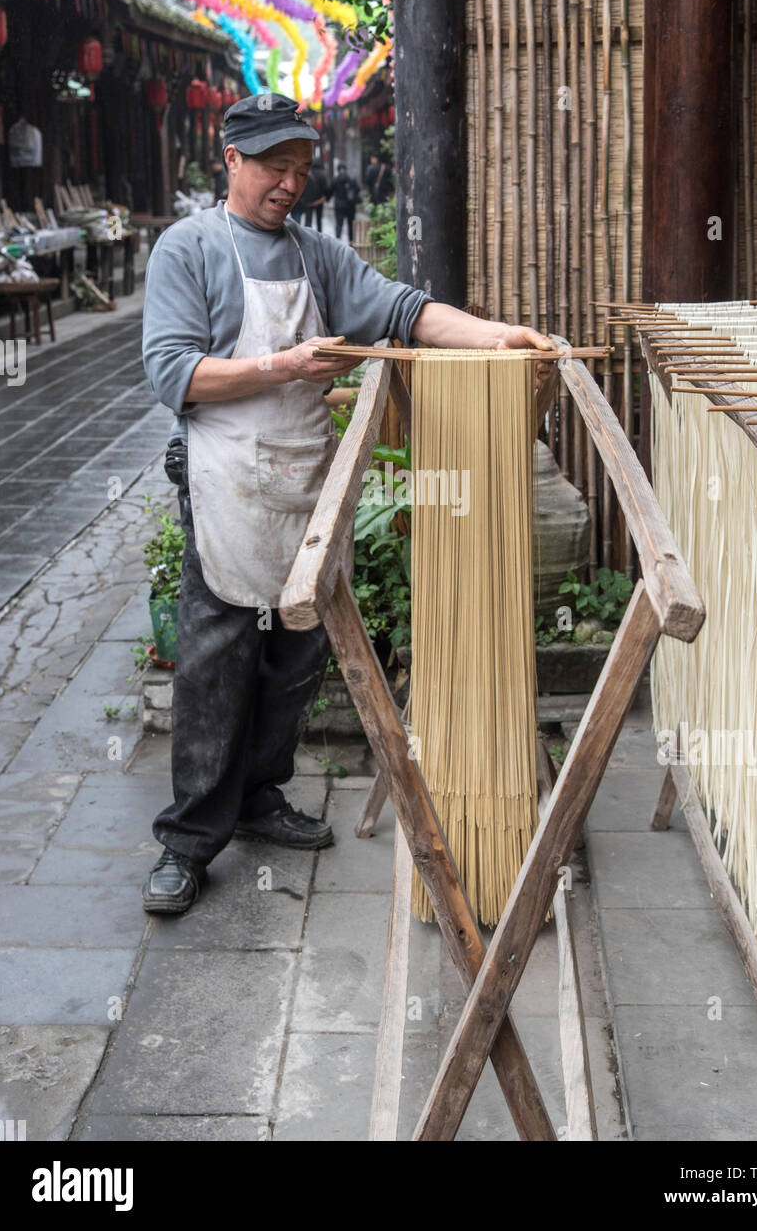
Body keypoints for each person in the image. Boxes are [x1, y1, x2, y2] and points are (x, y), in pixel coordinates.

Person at [140, 91, 555, 915]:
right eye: (272, 167)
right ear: (231, 161)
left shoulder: (314, 257)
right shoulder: (186, 250)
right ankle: (187, 842)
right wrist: (282, 367)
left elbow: (403, 310)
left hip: (302, 483)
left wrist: (494, 334)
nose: (289, 184)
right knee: (216, 667)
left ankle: (260, 799)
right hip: (228, 485)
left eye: (300, 169)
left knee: (295, 662)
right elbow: (173, 373)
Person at [328, 161, 360, 241]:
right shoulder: (351, 179)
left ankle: (338, 241)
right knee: (350, 224)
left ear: (338, 170)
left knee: (339, 224)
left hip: (339, 204)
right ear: (346, 169)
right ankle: (351, 241)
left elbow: (330, 191)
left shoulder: (335, 180)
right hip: (350, 205)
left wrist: (327, 198)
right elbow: (357, 189)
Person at [301, 157, 329, 230]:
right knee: (319, 220)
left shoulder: (307, 173)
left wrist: (303, 198)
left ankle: (306, 235)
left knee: (308, 220)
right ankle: (319, 235)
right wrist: (326, 197)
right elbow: (326, 188)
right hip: (319, 201)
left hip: (308, 200)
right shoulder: (322, 174)